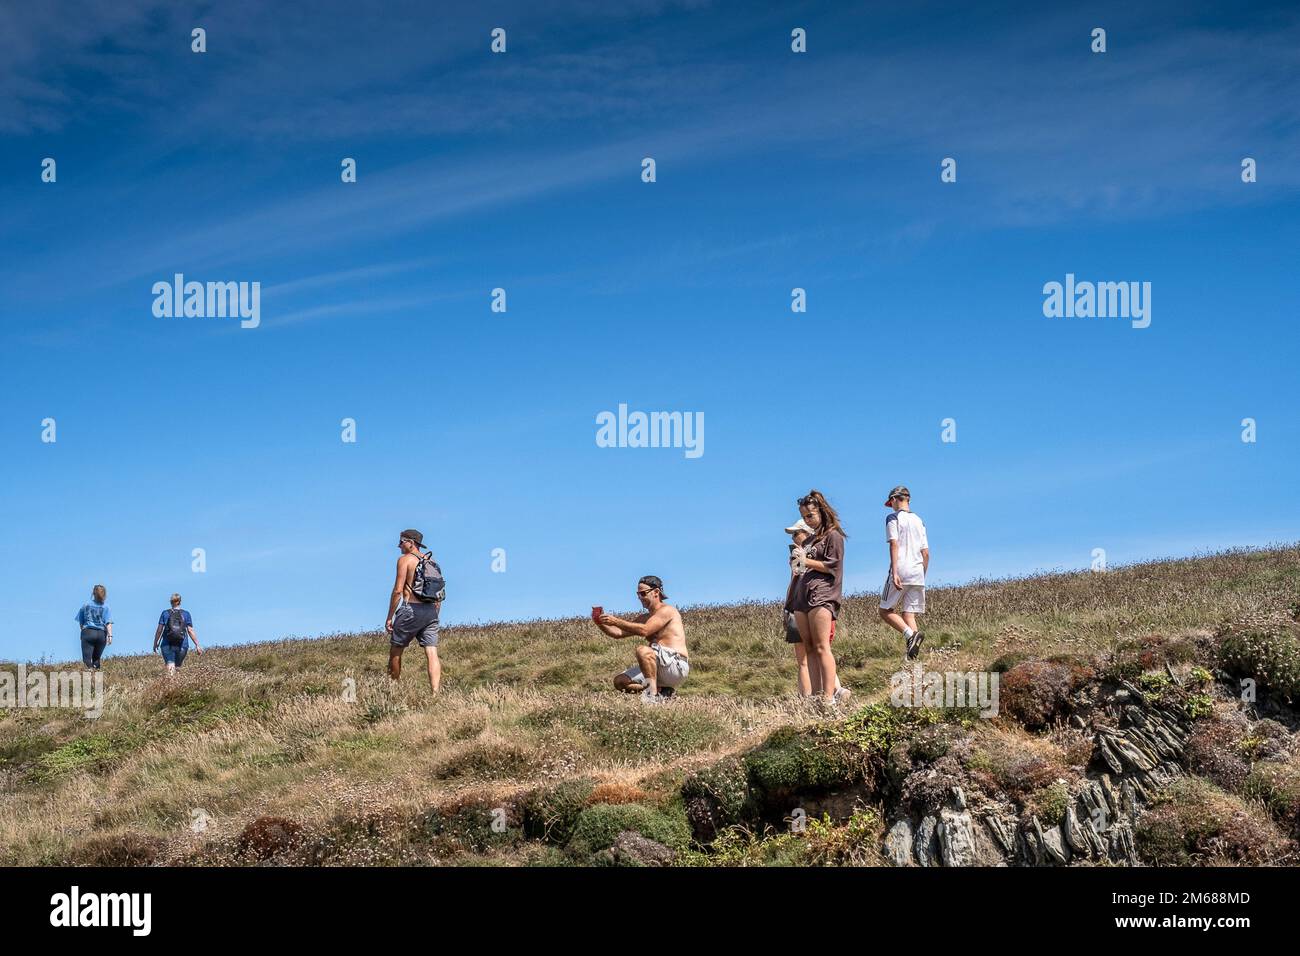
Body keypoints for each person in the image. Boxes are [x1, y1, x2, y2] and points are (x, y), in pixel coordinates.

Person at [788, 491, 851, 705]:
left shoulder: (833, 535)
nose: (808, 521)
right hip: (802, 596)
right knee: (809, 648)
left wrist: (806, 560)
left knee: (823, 646)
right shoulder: (809, 541)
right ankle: (816, 697)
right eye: (804, 517)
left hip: (822, 595)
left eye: (810, 516)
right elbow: (800, 569)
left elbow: (833, 566)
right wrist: (796, 562)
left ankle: (828, 697)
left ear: (822, 512)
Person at [594, 575, 689, 702]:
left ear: (656, 592)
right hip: (658, 665)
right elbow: (617, 633)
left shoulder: (667, 611)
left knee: (643, 650)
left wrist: (616, 620)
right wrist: (600, 623)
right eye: (638, 594)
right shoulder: (645, 617)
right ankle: (664, 692)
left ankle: (652, 697)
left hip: (675, 666)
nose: (640, 598)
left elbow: (645, 630)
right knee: (620, 682)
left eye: (643, 593)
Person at [385, 529, 444, 693]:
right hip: (431, 611)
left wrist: (389, 617)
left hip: (410, 609)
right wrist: (434, 616)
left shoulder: (405, 560)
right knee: (432, 652)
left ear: (411, 542)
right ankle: (435, 693)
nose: (399, 546)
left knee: (395, 651)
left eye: (402, 541)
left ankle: (392, 690)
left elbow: (398, 590)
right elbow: (438, 593)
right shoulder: (433, 563)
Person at [877, 485, 930, 659]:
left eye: (890, 502)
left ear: (894, 499)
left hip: (901, 568)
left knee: (885, 610)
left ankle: (909, 634)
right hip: (918, 571)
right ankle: (914, 656)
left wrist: (895, 572)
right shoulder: (919, 521)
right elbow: (926, 552)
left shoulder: (892, 518)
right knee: (909, 613)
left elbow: (894, 543)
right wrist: (923, 573)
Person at [153, 593, 202, 674]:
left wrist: (155, 643)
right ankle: (176, 683)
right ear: (180, 601)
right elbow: (190, 630)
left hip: (167, 643)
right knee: (178, 666)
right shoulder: (186, 614)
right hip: (182, 644)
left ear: (170, 602)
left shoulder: (165, 613)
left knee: (170, 662)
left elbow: (159, 630)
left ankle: (171, 681)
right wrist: (197, 645)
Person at [74, 584, 113, 670]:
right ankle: (97, 680)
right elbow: (108, 623)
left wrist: (83, 633)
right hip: (101, 634)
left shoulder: (86, 605)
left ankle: (89, 680)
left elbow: (81, 622)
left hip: (88, 632)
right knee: (96, 659)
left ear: (93, 593)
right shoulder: (106, 607)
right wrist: (110, 636)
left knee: (87, 660)